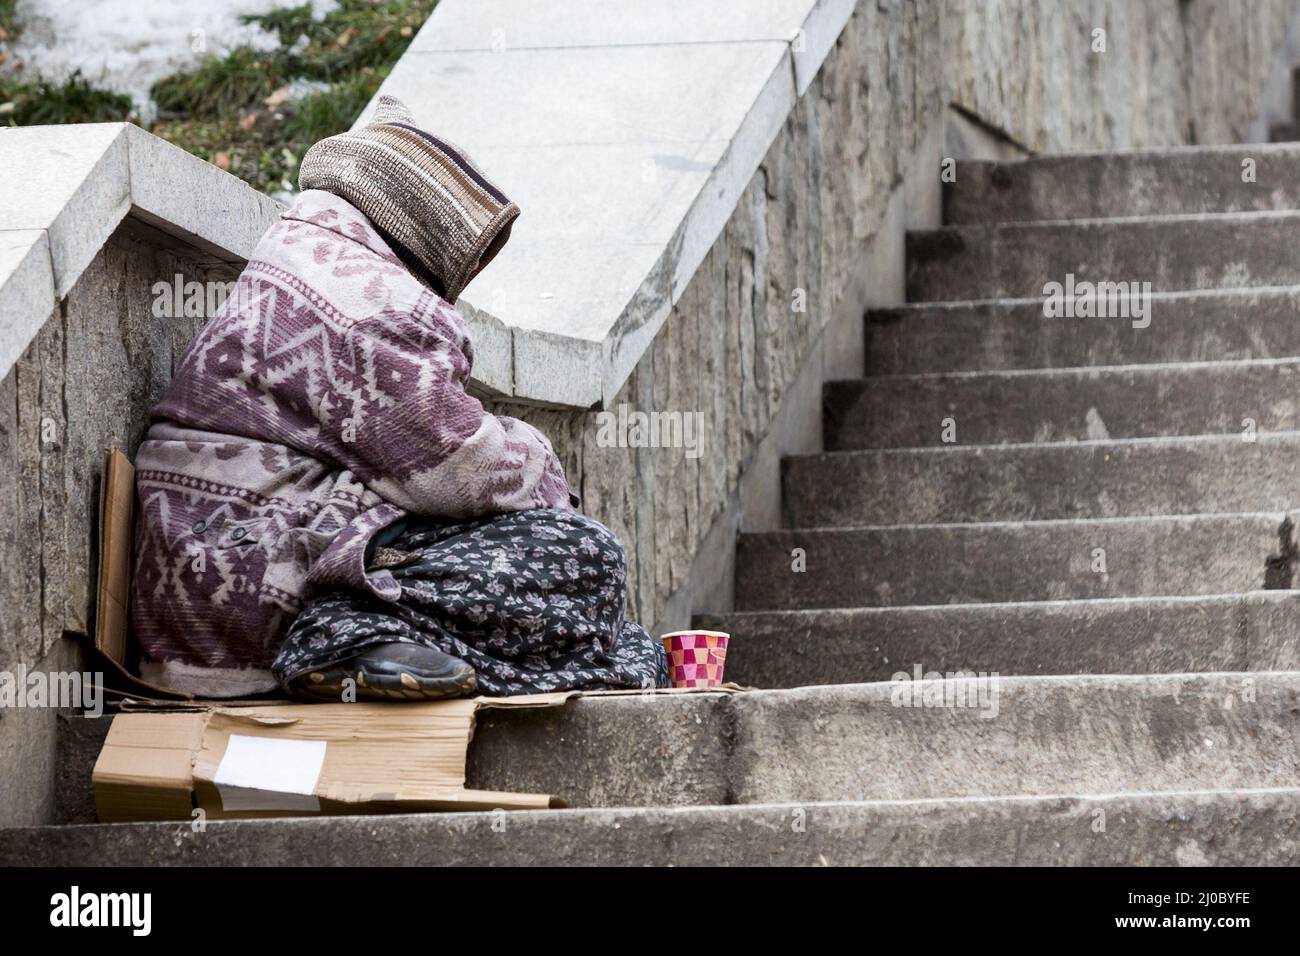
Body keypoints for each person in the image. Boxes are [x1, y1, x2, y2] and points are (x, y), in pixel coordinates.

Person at [130, 96, 667, 701]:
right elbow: (466, 471)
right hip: (248, 592)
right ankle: (342, 639)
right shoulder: (374, 302)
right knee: (583, 552)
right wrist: (538, 457)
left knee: (590, 612)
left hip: (196, 590)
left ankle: (369, 643)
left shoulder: (297, 263)